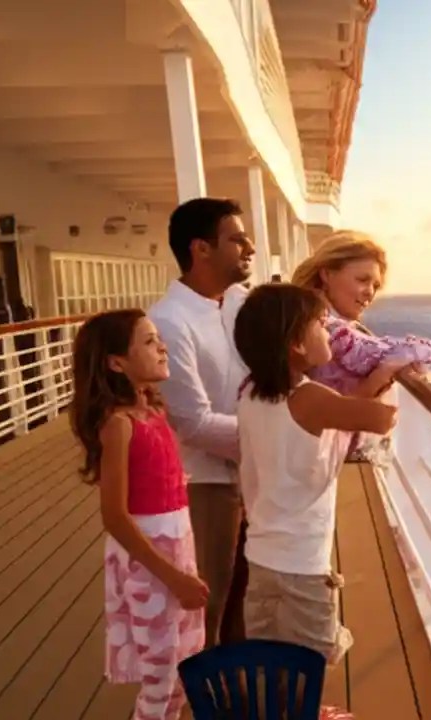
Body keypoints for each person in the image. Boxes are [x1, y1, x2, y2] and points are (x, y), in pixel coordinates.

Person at [231, 284, 396, 702]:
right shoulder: (309, 398)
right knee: (309, 662)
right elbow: (382, 419)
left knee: (269, 659)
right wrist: (384, 369)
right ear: (296, 345)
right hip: (302, 564)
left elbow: (339, 410)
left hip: (261, 554)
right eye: (322, 326)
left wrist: (362, 389)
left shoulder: (251, 393)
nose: (332, 334)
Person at [68, 309, 206, 720]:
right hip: (151, 565)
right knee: (159, 679)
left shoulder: (154, 413)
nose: (162, 347)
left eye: (158, 338)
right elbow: (114, 516)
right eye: (148, 341)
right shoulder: (120, 425)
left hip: (176, 551)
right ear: (116, 363)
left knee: (183, 671)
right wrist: (174, 577)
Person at [147, 197, 254, 648]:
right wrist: (271, 438)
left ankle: (236, 680)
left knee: (245, 597)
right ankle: (202, 685)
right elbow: (192, 423)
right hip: (206, 483)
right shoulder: (169, 321)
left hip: (250, 474)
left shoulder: (238, 303)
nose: (250, 247)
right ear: (201, 249)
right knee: (209, 602)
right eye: (237, 239)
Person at [289, 230, 422, 462]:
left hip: (333, 460)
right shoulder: (322, 330)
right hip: (330, 464)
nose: (370, 292)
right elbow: (335, 411)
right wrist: (384, 373)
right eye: (362, 280)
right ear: (327, 274)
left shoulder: (317, 321)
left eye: (376, 285)